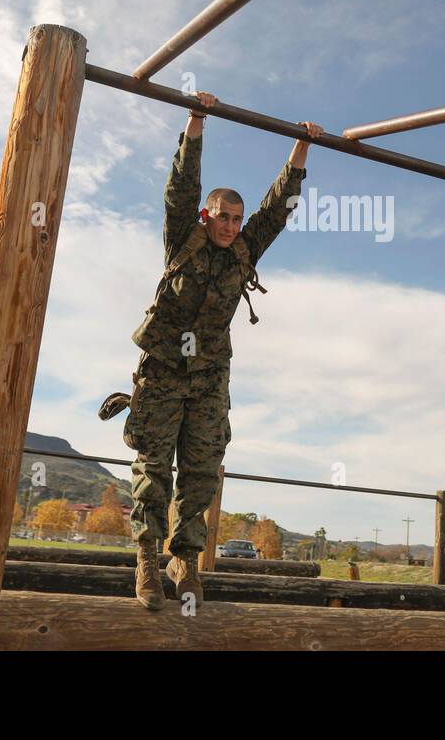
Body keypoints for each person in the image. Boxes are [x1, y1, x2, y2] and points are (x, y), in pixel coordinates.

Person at [124, 90, 322, 610]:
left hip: (210, 374)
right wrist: (196, 121)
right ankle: (146, 558)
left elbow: (278, 208)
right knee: (153, 464)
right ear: (205, 217)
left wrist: (300, 149)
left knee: (202, 467)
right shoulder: (181, 238)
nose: (232, 225)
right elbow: (180, 186)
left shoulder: (243, 249)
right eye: (223, 217)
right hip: (165, 369)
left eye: (237, 218)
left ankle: (184, 559)